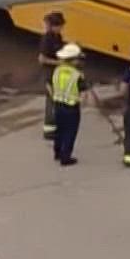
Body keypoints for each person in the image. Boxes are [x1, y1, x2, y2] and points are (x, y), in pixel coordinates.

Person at [48, 43, 87, 167]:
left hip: (58, 105)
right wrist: (82, 102)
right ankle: (66, 157)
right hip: (71, 108)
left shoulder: (57, 70)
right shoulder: (77, 75)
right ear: (73, 60)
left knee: (59, 130)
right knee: (70, 132)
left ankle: (57, 152)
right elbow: (84, 95)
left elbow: (49, 85)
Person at [37, 11, 67, 140]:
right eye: (60, 26)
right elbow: (42, 59)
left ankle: (55, 125)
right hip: (49, 74)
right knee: (52, 101)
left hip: (57, 74)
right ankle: (49, 130)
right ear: (54, 25)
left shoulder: (57, 36)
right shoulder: (47, 39)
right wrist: (58, 62)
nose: (61, 28)